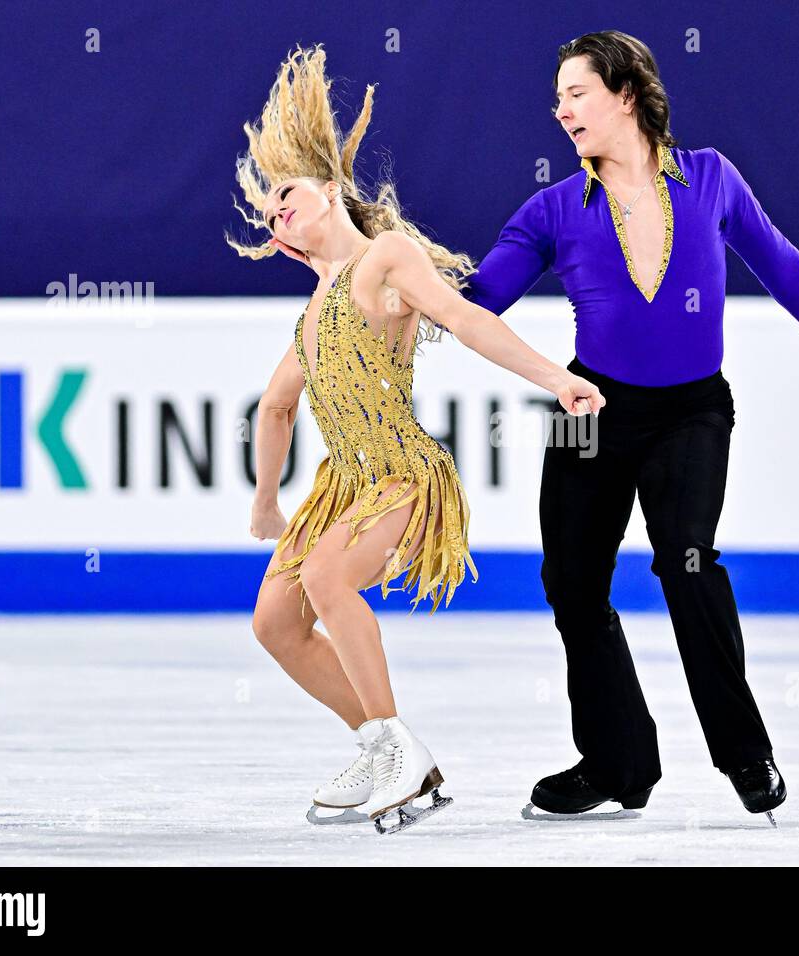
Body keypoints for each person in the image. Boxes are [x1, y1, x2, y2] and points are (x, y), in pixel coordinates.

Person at [462, 31, 799, 822]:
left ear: (625, 93)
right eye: (556, 99)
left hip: (692, 410)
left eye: (575, 93)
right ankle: (617, 762)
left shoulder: (712, 178)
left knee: (687, 564)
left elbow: (778, 258)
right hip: (588, 409)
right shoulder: (552, 209)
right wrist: (396, 273)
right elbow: (478, 297)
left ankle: (745, 751)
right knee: (571, 584)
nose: (560, 111)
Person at [227, 44, 606, 832]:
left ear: (332, 190)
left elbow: (465, 318)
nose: (279, 215)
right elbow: (274, 407)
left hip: (403, 473)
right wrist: (266, 501)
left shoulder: (384, 261)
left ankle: (398, 749)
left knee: (330, 581)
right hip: (345, 484)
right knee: (274, 622)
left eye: (288, 196)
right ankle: (384, 747)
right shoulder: (315, 306)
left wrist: (553, 379)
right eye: (270, 213)